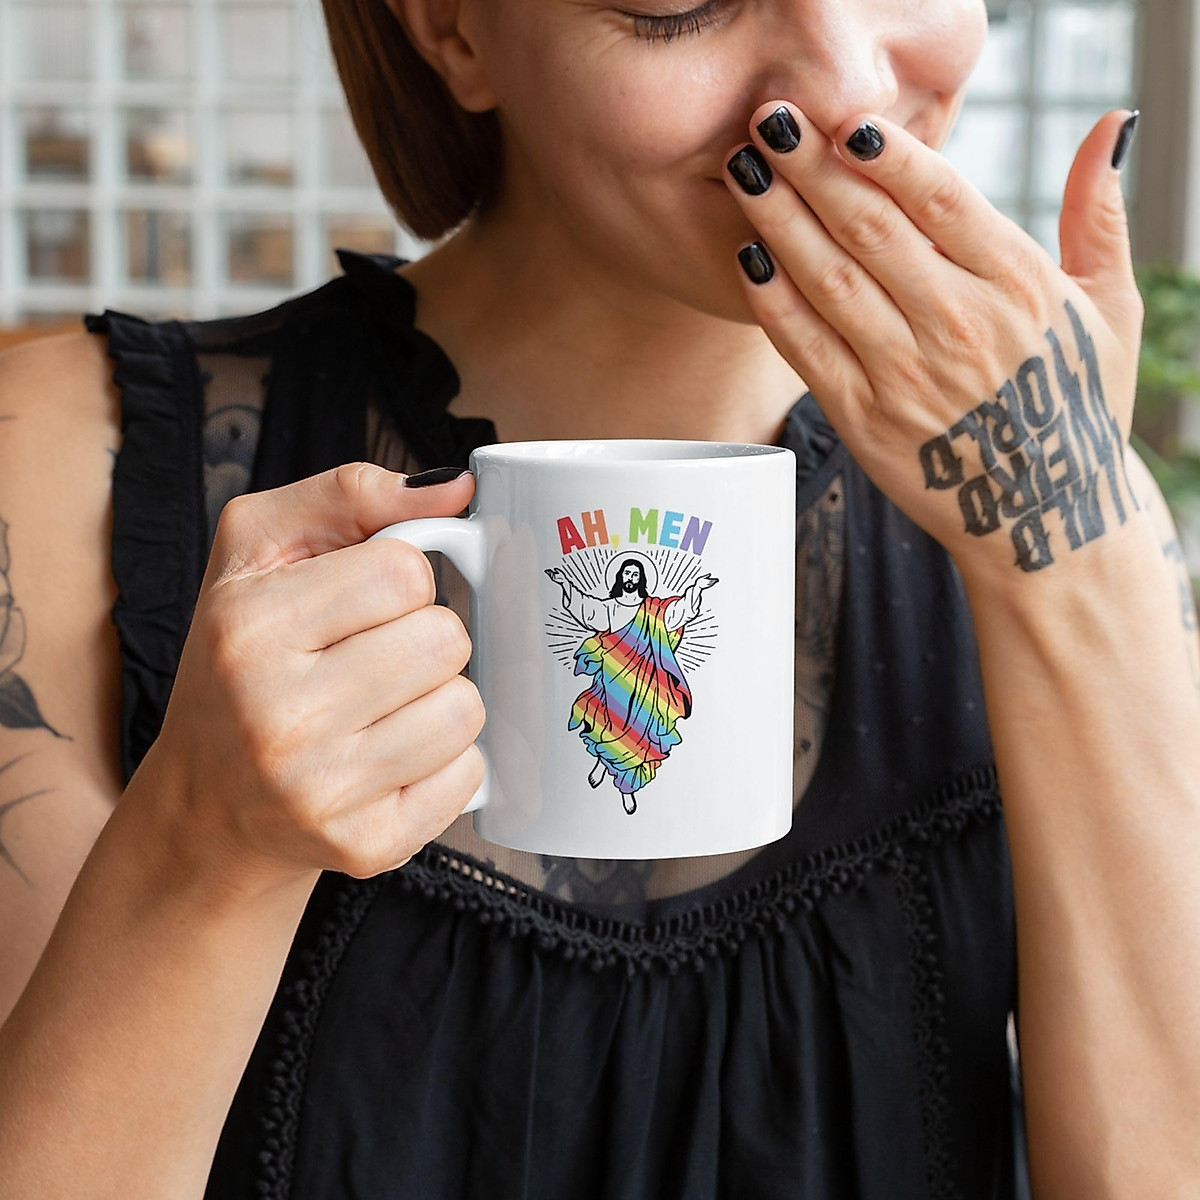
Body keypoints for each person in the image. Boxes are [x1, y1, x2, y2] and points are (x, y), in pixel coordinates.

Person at [0, 0, 1197, 1196]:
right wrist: (202, 848)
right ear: (454, 29)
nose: (845, 88)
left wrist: (1077, 557)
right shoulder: (61, 473)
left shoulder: (1066, 511)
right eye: (681, 7)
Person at [545, 557, 717, 808]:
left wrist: (696, 588)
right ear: (620, 577)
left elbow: (677, 613)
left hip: (644, 686)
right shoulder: (610, 607)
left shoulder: (653, 611)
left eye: (636, 575)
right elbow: (587, 610)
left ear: (641, 579)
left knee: (638, 738)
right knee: (608, 727)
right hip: (613, 681)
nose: (631, 578)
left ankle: (627, 788)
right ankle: (602, 763)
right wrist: (565, 584)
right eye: (627, 573)